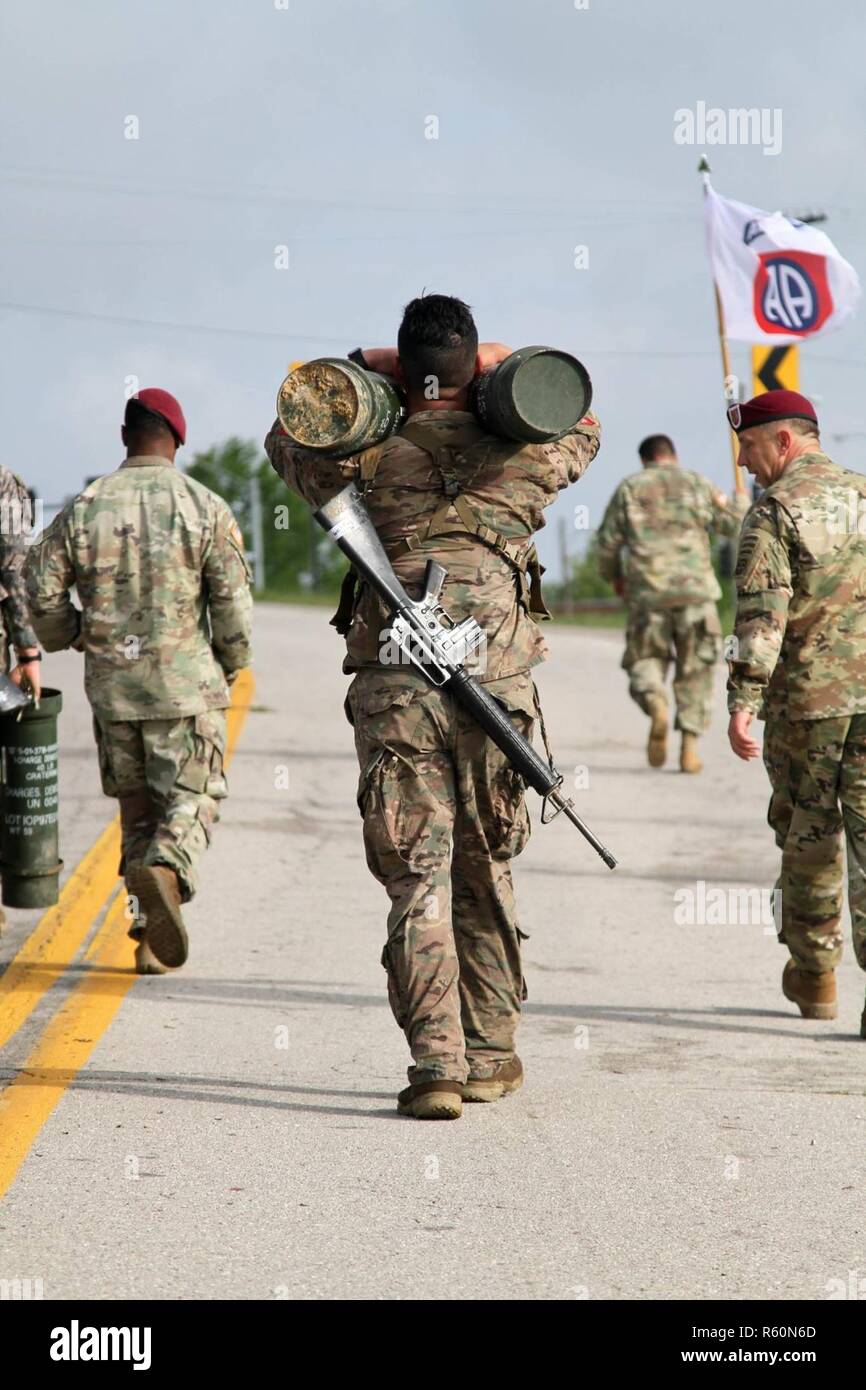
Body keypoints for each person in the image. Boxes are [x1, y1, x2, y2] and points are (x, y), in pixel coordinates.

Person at [265, 294, 601, 1119]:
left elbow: (288, 437)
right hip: (499, 690)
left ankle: (436, 1067)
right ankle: (491, 1053)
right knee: (486, 869)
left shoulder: (360, 457)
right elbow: (584, 426)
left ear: (403, 371)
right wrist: (500, 364)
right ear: (475, 363)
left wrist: (368, 366)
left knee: (418, 876)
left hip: (395, 691)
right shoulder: (524, 459)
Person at [25, 389, 252, 974]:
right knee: (195, 798)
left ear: (125, 437)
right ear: (178, 438)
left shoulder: (85, 507)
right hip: (185, 687)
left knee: (138, 815)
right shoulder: (205, 507)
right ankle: (170, 871)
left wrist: (71, 633)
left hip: (113, 692)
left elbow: (39, 584)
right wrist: (230, 661)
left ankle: (148, 934)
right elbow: (232, 605)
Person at [726, 389, 866, 1036]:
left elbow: (762, 620)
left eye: (749, 447)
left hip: (809, 705)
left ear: (783, 442)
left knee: (810, 835)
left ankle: (816, 976)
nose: (744, 461)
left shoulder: (773, 513)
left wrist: (743, 703)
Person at [596, 434, 746, 773]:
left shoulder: (630, 489)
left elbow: (606, 545)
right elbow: (734, 526)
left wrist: (616, 578)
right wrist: (739, 502)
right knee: (696, 669)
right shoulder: (697, 484)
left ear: (644, 460)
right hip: (695, 594)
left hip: (647, 595)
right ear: (672, 455)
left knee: (645, 660)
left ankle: (656, 705)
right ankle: (690, 747)